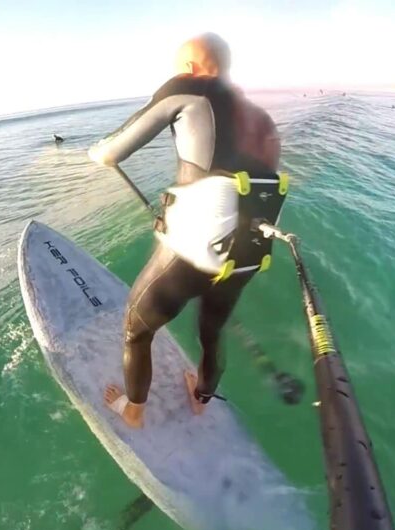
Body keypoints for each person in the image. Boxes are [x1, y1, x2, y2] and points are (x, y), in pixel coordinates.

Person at [87, 33, 281, 429]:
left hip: (194, 248)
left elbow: (112, 151)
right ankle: (201, 398)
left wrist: (96, 151)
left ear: (192, 67)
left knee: (135, 328)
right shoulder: (261, 118)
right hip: (244, 255)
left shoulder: (188, 87)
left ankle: (134, 410)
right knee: (212, 333)